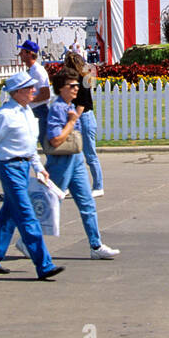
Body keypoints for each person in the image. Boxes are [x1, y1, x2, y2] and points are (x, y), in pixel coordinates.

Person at [0, 71, 64, 279]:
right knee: (26, 216)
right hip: (10, 168)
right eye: (29, 88)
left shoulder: (27, 113)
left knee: (8, 216)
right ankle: (44, 264)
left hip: (23, 168)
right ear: (17, 92)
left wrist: (38, 168)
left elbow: (30, 146)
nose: (34, 90)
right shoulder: (3, 116)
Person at [43, 71, 118, 260]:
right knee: (52, 204)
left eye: (77, 85)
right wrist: (71, 122)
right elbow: (54, 140)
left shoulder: (69, 105)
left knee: (87, 203)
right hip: (61, 162)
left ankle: (96, 245)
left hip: (75, 160)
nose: (77, 88)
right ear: (61, 88)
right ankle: (29, 241)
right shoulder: (58, 108)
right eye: (72, 86)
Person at [63, 49, 103, 196]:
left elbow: (82, 104)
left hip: (84, 118)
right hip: (80, 117)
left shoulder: (83, 81)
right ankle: (68, 185)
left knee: (90, 153)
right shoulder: (75, 81)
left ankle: (98, 186)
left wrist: (73, 121)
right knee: (72, 154)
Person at [18, 39, 51, 144]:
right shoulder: (31, 70)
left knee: (46, 144)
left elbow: (46, 94)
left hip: (40, 111)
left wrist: (28, 99)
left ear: (29, 54)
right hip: (34, 111)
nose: (20, 54)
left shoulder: (38, 71)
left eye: (22, 52)